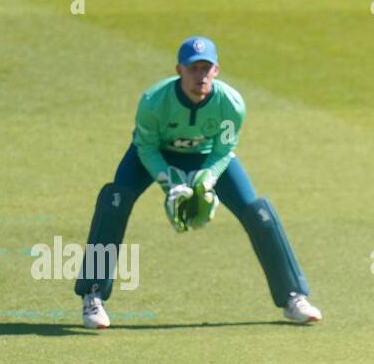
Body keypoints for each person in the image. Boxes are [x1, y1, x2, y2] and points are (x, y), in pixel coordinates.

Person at [74, 36, 321, 329]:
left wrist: (207, 178)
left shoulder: (230, 104)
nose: (199, 76)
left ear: (216, 70)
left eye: (206, 69)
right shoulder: (154, 102)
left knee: (259, 213)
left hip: (206, 157)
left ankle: (294, 297)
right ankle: (93, 295)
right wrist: (170, 183)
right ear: (179, 70)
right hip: (154, 155)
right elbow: (146, 148)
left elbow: (224, 150)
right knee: (115, 200)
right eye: (193, 69)